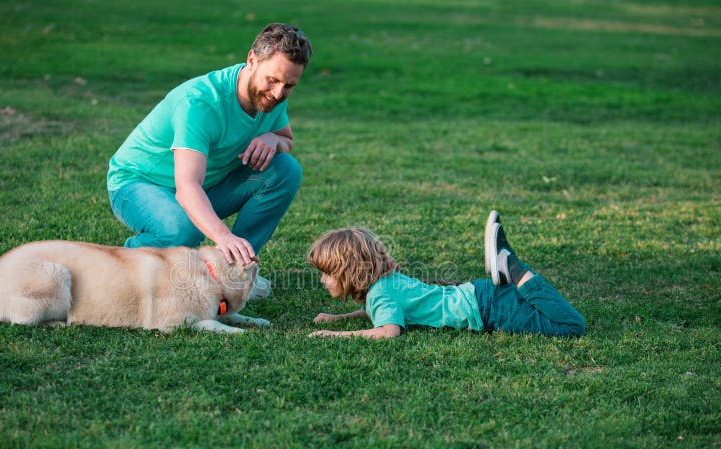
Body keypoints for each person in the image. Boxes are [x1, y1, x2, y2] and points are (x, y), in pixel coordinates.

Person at [107, 23, 312, 267]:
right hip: (139, 182)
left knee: (286, 170)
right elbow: (187, 186)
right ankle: (116, 264)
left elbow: (286, 139)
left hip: (204, 185)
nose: (278, 93)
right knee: (182, 231)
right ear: (252, 60)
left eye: (289, 86)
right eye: (273, 80)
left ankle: (236, 268)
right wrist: (223, 236)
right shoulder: (199, 102)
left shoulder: (271, 96)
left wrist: (273, 139)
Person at [306, 211, 585, 339]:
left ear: (349, 272)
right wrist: (340, 317)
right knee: (546, 311)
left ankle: (512, 266)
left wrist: (333, 333)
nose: (322, 280)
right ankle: (509, 267)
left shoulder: (380, 293)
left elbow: (389, 331)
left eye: (327, 274)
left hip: (488, 311)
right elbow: (381, 312)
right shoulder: (382, 286)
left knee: (571, 326)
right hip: (481, 297)